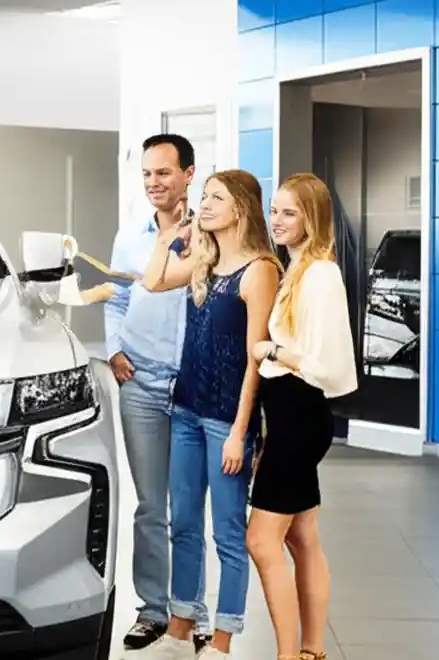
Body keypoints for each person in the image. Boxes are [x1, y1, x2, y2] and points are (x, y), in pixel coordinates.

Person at [133, 169, 281, 660]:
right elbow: (153, 281)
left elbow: (255, 361)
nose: (206, 205)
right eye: (205, 198)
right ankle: (179, 631)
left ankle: (221, 642)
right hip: (186, 411)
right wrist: (168, 238)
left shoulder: (260, 269)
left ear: (240, 208)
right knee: (185, 525)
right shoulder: (205, 258)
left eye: (216, 198)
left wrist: (241, 432)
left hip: (224, 419)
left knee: (228, 533)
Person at [246, 173, 356, 660]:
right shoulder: (296, 270)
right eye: (274, 211)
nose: (278, 221)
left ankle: (288, 655)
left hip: (300, 418)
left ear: (313, 218)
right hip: (290, 417)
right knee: (302, 538)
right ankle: (312, 651)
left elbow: (323, 361)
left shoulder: (320, 274)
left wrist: (270, 349)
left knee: (261, 539)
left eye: (289, 212)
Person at [103, 134, 205, 651]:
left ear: (189, 173)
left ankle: (192, 610)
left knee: (188, 505)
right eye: (146, 174)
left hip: (191, 387)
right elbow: (115, 300)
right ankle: (152, 610)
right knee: (150, 505)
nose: (153, 183)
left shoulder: (210, 234)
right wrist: (114, 351)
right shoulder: (130, 237)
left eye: (163, 172)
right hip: (139, 380)